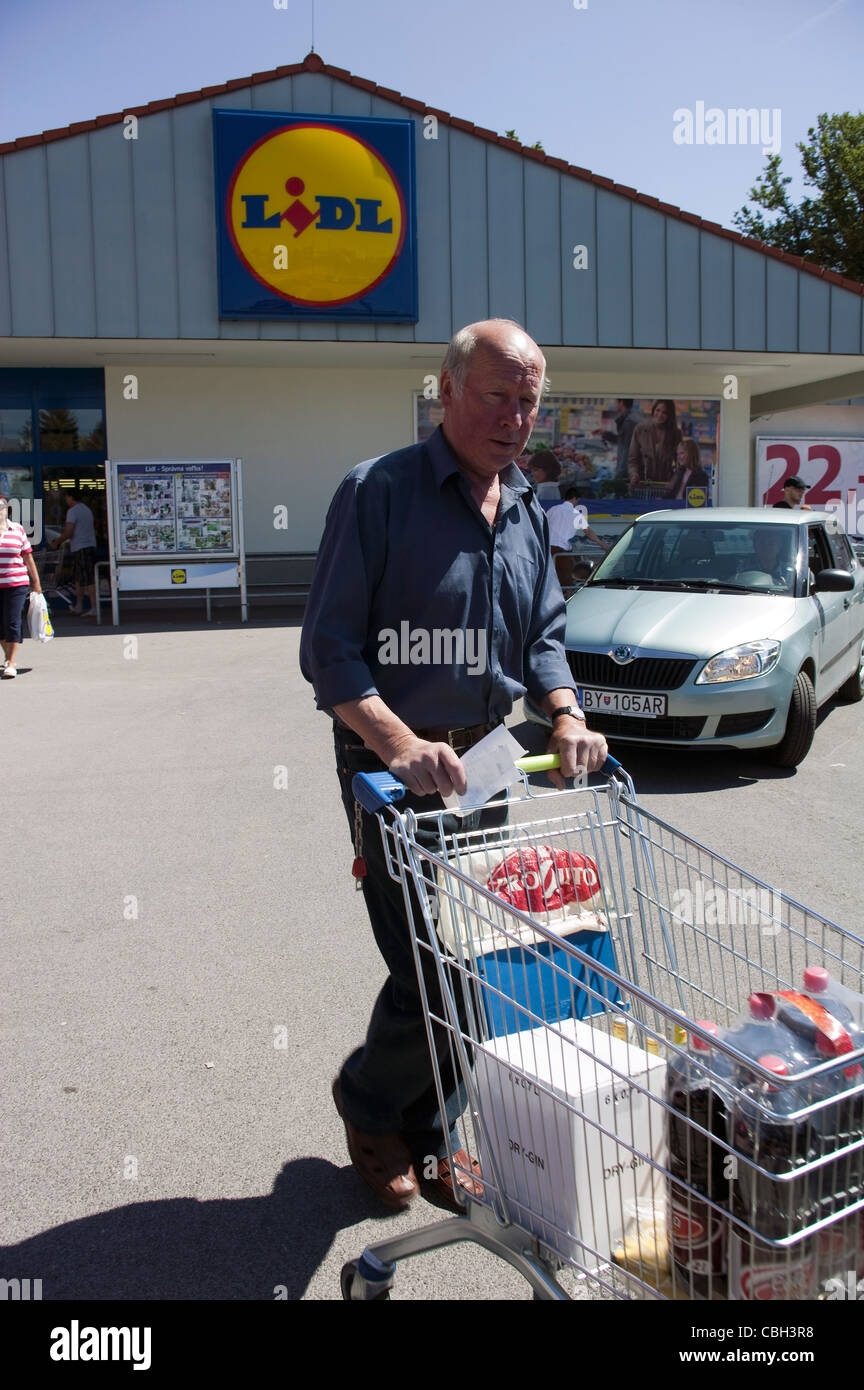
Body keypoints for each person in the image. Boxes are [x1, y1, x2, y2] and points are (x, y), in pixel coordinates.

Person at [300, 318, 608, 1213]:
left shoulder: (524, 507)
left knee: (484, 958)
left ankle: (435, 1131)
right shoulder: (378, 493)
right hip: (393, 769)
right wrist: (401, 742)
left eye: (528, 401)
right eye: (496, 396)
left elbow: (544, 634)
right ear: (447, 392)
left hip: (493, 759)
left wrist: (567, 712)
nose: (514, 418)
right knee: (431, 968)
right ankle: (368, 1106)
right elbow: (331, 654)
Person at [0, 491, 43, 678]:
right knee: (0, 625)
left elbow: (28, 557)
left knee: (12, 621)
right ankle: (8, 655)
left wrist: (36, 583)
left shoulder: (17, 530)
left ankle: (11, 662)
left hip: (16, 584)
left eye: (0, 507)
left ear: (6, 510)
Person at [546, 488, 611, 589]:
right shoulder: (576, 514)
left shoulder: (553, 509)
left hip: (546, 549)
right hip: (561, 550)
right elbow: (588, 532)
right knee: (566, 581)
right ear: (575, 499)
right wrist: (601, 544)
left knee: (548, 579)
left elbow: (542, 525)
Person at [50, 488, 98, 615]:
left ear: (71, 497)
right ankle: (79, 605)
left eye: (66, 497)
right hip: (87, 545)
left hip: (81, 547)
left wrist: (57, 541)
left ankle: (93, 607)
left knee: (87, 578)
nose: (66, 500)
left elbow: (68, 531)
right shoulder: (87, 510)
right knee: (80, 578)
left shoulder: (72, 511)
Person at [627, 399, 681, 488]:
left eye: (665, 412)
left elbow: (680, 463)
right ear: (653, 410)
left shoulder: (675, 434)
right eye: (658, 410)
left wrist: (674, 480)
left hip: (665, 487)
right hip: (641, 485)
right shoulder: (640, 429)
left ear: (670, 415)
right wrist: (634, 475)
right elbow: (633, 459)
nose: (660, 415)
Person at [602, 399, 640, 481]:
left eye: (616, 402)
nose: (616, 404)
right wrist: (605, 433)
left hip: (627, 472)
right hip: (630, 470)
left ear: (621, 402)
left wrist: (620, 473)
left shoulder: (629, 421)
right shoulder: (629, 418)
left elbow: (627, 448)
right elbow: (621, 440)